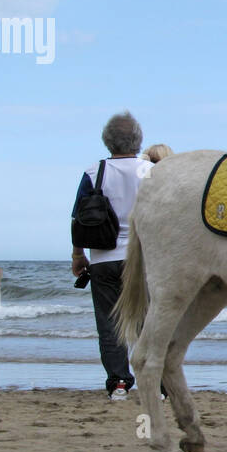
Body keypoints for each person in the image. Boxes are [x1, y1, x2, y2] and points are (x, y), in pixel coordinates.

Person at [71, 112, 146, 400]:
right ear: (138, 139)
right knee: (147, 321)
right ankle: (157, 384)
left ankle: (118, 383)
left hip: (103, 258)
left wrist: (78, 255)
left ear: (107, 140)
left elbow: (78, 217)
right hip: (142, 258)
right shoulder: (151, 171)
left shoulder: (94, 172)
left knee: (110, 323)